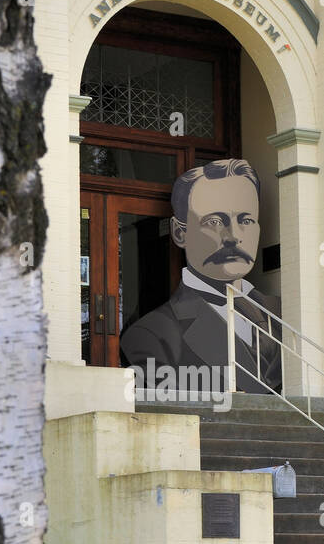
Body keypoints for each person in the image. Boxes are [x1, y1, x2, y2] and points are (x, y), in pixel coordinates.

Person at [120, 158, 281, 393]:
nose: (233, 236)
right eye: (215, 221)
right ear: (179, 233)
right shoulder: (151, 335)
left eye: (246, 220)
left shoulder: (283, 313)